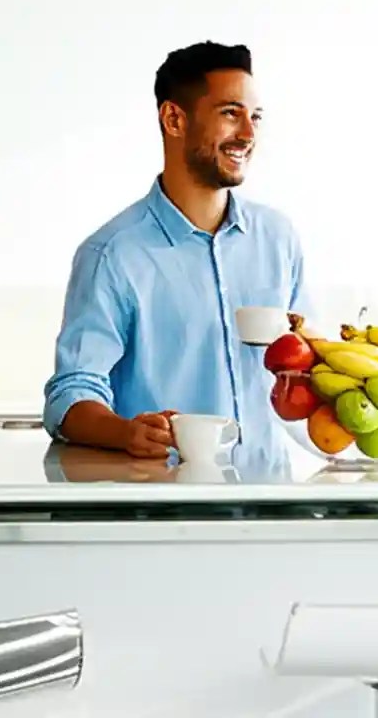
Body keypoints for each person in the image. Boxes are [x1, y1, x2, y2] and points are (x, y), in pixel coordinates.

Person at [43, 41, 315, 459]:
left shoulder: (278, 238)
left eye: (255, 117)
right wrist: (124, 433)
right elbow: (71, 394)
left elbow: (310, 364)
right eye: (230, 113)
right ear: (174, 119)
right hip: (166, 495)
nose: (248, 134)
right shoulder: (112, 255)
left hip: (270, 493)